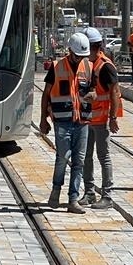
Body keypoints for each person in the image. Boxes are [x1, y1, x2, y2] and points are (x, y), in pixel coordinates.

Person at [40, 32, 93, 213]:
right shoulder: (56, 67)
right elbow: (46, 94)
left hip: (82, 122)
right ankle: (56, 190)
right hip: (62, 121)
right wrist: (43, 120)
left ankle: (73, 199)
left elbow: (92, 90)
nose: (80, 59)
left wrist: (92, 95)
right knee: (62, 158)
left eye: (83, 56)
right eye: (77, 55)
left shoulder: (88, 67)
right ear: (70, 51)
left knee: (79, 161)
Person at [79, 28, 121, 210]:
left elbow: (115, 92)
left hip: (102, 120)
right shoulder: (88, 64)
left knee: (103, 157)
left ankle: (107, 195)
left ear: (95, 47)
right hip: (87, 119)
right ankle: (89, 192)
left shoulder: (106, 66)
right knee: (86, 156)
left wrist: (112, 118)